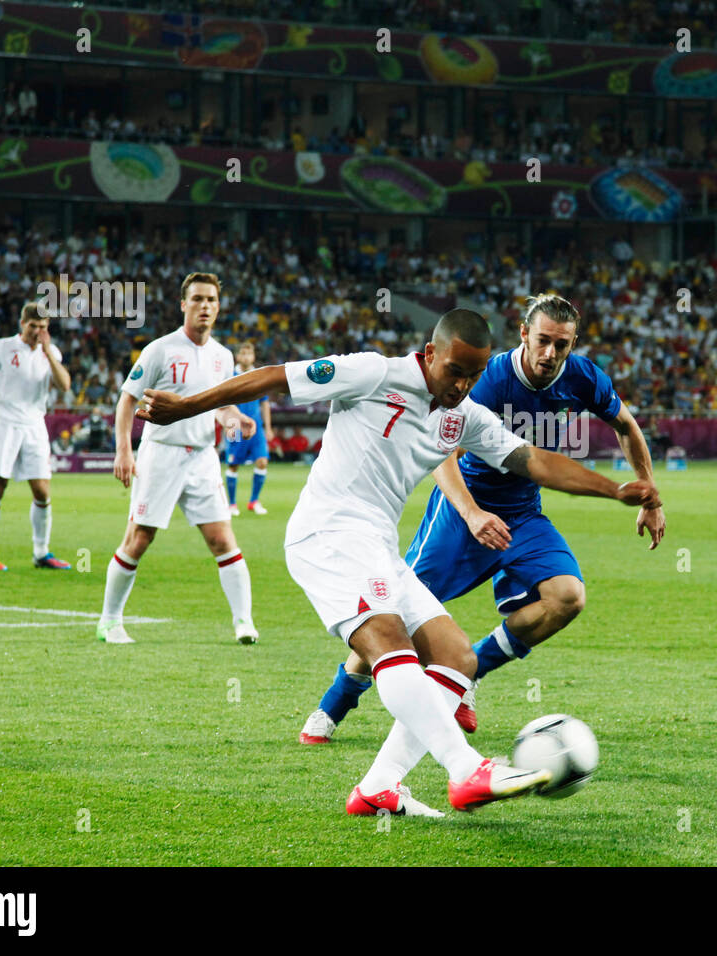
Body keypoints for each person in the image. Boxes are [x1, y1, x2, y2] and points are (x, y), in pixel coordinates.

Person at [136, 308, 661, 815]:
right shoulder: (372, 372)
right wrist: (187, 407)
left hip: (377, 545)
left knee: (457, 658)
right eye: (454, 371)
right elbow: (276, 377)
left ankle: (378, 787)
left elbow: (534, 461)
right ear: (431, 353)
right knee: (389, 641)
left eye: (473, 375)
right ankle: (465, 769)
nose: (460, 385)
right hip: (329, 533)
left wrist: (613, 488)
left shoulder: (463, 417)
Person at [303, 293, 665, 743]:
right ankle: (333, 705)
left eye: (562, 345)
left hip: (522, 514)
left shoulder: (583, 378)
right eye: (543, 341)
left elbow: (626, 426)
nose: (551, 354)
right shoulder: (485, 378)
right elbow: (441, 451)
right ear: (523, 335)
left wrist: (648, 495)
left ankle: (468, 671)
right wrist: (472, 513)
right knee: (390, 614)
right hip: (460, 513)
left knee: (567, 596)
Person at [97, 273, 258, 646]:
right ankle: (109, 621)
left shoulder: (222, 356)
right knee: (139, 538)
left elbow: (219, 406)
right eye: (198, 299)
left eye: (211, 300)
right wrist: (124, 449)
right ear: (183, 304)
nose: (205, 306)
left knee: (222, 539)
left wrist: (236, 418)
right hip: (161, 453)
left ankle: (244, 622)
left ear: (218, 307)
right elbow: (127, 400)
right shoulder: (160, 349)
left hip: (202, 457)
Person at [0, 303, 73, 571]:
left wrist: (47, 351)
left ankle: (41, 553)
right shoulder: (2, 347)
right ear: (22, 324)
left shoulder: (50, 352)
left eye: (43, 327)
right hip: (4, 423)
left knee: (42, 490)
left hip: (34, 425)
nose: (37, 331)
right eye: (33, 326)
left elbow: (65, 385)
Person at [223, 341, 273, 516]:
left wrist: (268, 427)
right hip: (234, 425)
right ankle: (232, 504)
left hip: (256, 426)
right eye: (243, 353)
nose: (246, 357)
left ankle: (254, 501)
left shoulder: (259, 375)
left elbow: (264, 403)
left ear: (254, 356)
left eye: (249, 354)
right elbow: (224, 402)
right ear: (237, 356)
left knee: (262, 461)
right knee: (233, 464)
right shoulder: (230, 375)